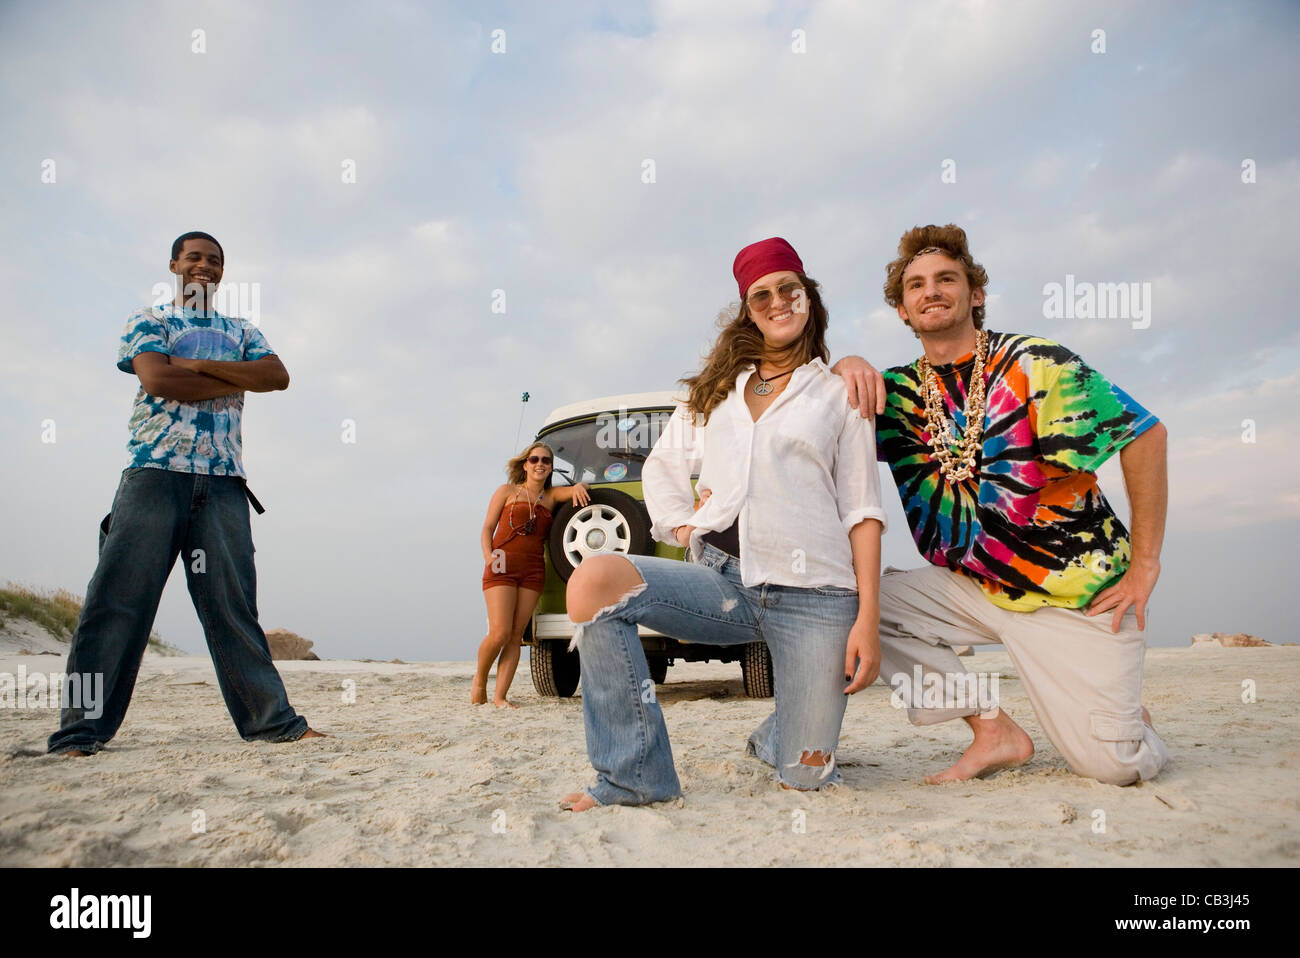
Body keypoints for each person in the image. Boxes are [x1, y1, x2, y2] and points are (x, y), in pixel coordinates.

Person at [559, 237, 887, 811]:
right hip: (721, 583)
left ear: (808, 296)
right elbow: (663, 465)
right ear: (747, 309)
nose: (777, 301)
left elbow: (862, 511)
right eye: (761, 293)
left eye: (789, 288)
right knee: (593, 583)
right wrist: (682, 526)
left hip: (816, 598)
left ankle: (782, 733)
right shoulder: (714, 396)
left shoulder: (840, 392)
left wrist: (867, 617)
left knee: (806, 779)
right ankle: (635, 777)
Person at [839, 223, 1169, 786]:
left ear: (977, 294)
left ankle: (1129, 722)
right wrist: (845, 362)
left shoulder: (1033, 363)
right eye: (915, 285)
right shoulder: (892, 394)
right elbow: (814, 422)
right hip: (975, 589)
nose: (931, 291)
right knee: (860, 605)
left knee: (1114, 767)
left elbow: (1144, 435)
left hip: (1075, 598)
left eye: (947, 278)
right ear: (901, 309)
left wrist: (1144, 566)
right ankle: (995, 732)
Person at [48, 231, 322, 756]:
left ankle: (272, 723)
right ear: (175, 263)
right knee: (117, 603)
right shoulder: (148, 320)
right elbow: (156, 380)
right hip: (154, 474)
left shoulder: (241, 327)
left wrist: (194, 367)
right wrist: (230, 376)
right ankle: (78, 733)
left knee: (233, 606)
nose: (204, 266)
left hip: (223, 483)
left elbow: (276, 375)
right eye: (194, 257)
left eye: (214, 260)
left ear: (222, 271)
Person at [474, 443, 590, 708]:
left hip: (534, 570)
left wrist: (581, 488)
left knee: (516, 635)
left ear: (550, 467)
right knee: (500, 632)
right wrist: (488, 555)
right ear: (525, 464)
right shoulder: (506, 491)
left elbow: (575, 489)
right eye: (534, 459)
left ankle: (501, 697)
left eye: (546, 461)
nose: (540, 464)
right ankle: (480, 679)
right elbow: (487, 528)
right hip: (501, 564)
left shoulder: (550, 496)